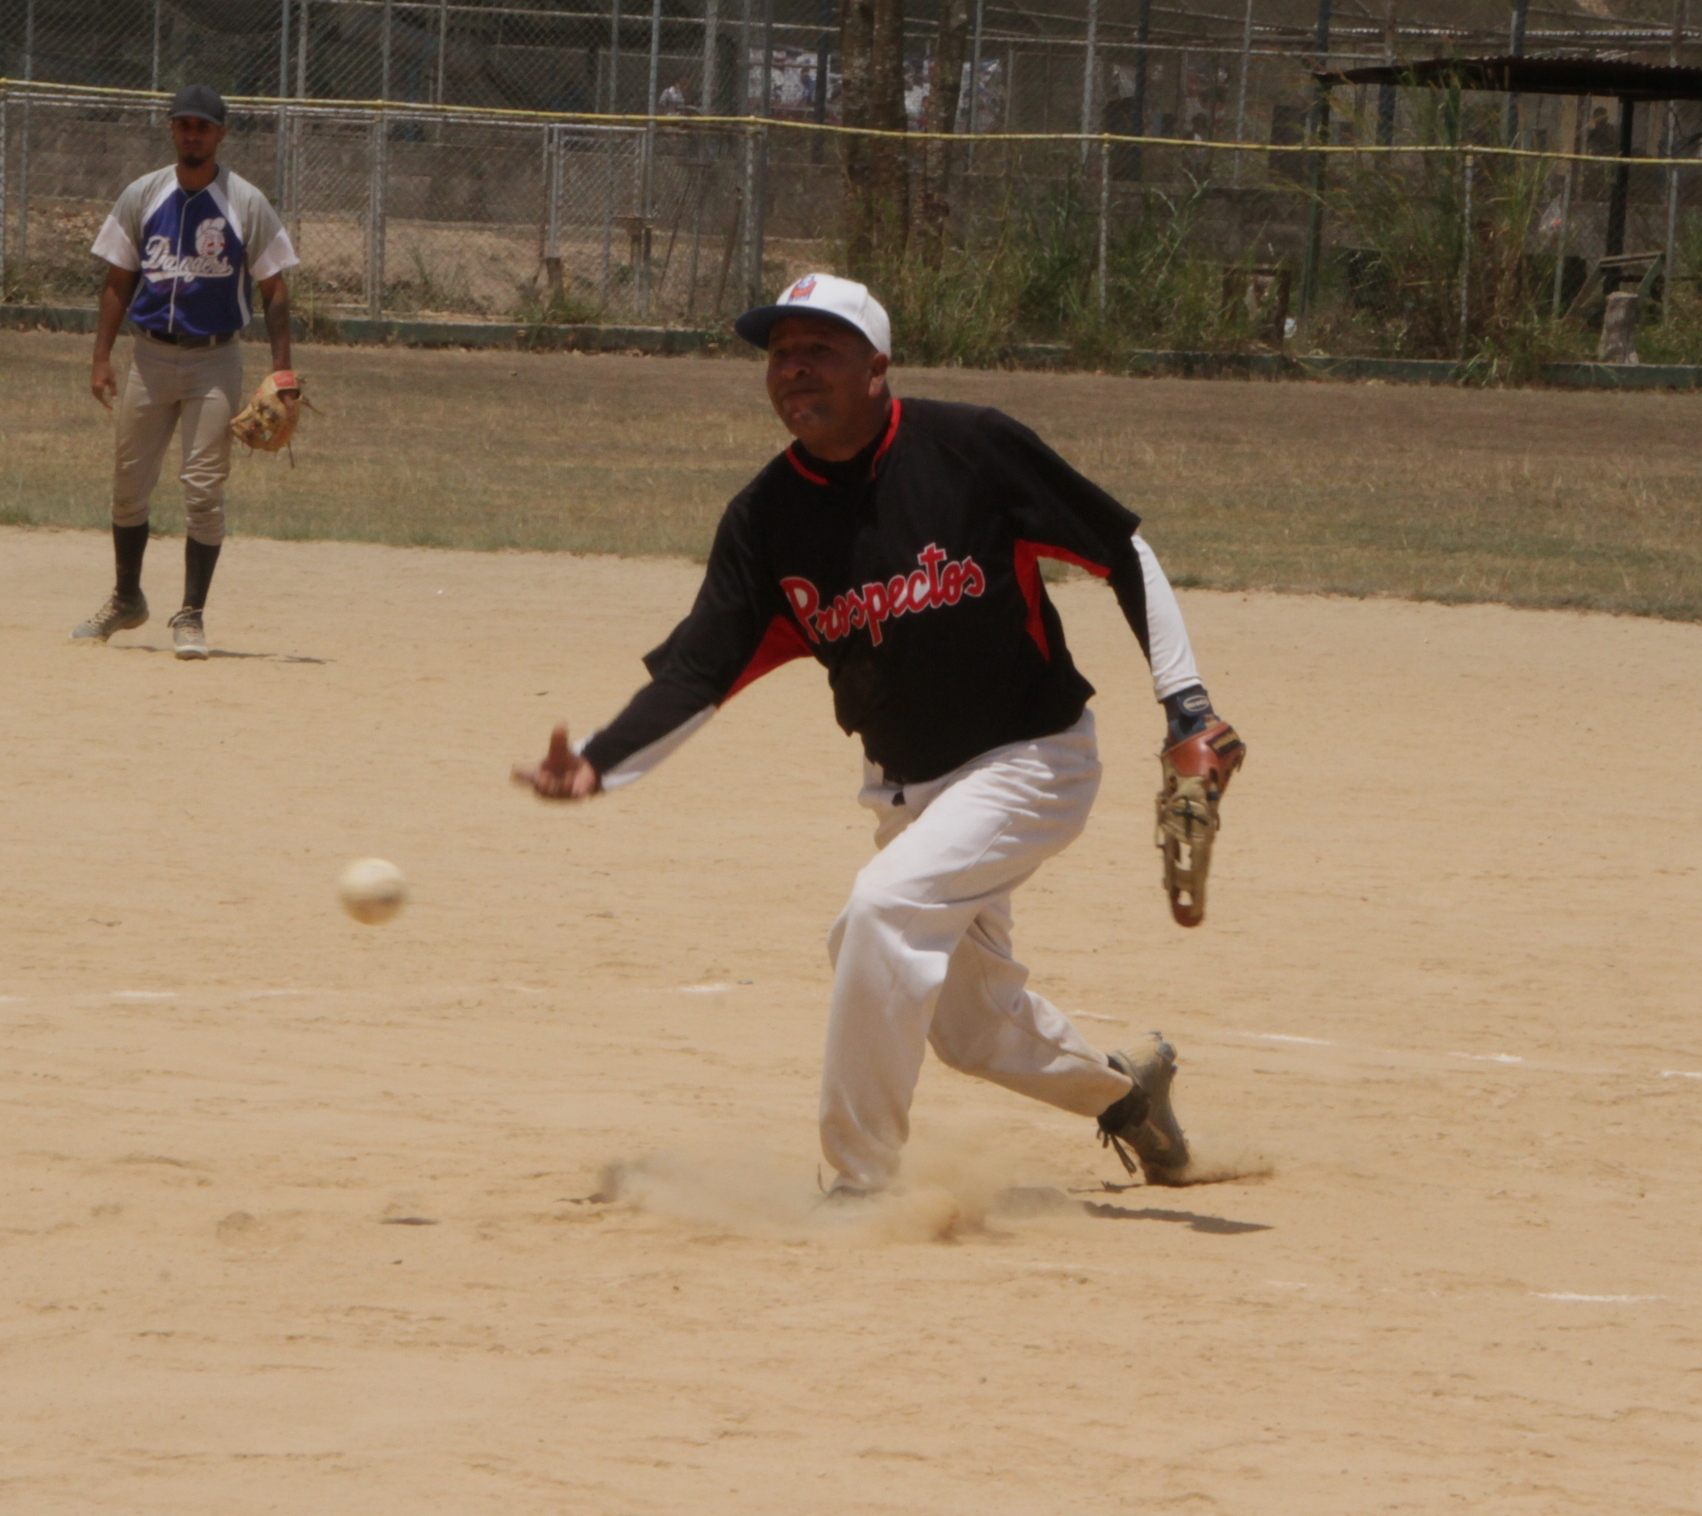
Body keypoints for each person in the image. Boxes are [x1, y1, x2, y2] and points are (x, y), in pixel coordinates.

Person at [513, 273, 1242, 1197]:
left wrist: (1187, 705)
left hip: (1032, 762)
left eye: (819, 349)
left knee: (880, 913)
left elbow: (1119, 548)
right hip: (905, 790)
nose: (793, 369)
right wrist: (598, 763)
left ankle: (861, 1189)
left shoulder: (969, 448)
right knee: (969, 1026)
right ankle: (1126, 1095)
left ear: (875, 366)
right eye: (780, 354)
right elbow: (703, 669)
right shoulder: (767, 518)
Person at [71, 84, 299, 659]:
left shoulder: (245, 202)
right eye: (182, 124)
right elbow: (117, 281)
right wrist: (100, 358)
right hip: (148, 356)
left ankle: (191, 615)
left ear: (221, 134)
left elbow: (274, 290)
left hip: (214, 361)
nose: (191, 133)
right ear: (172, 130)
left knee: (203, 490)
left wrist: (284, 375)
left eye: (202, 126)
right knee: (128, 488)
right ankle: (127, 598)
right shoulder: (143, 194)